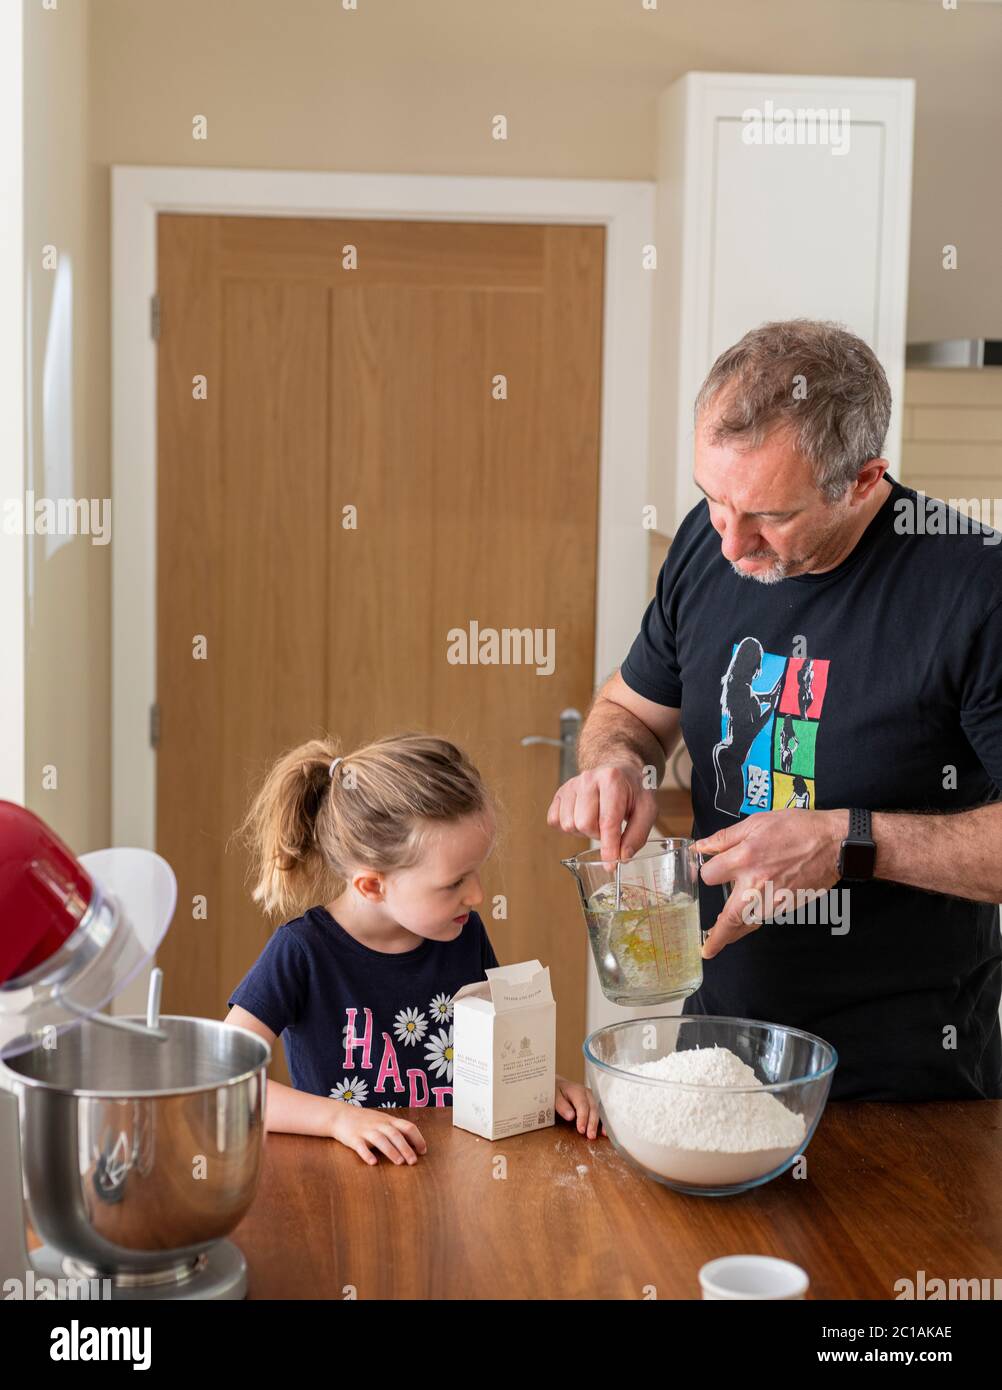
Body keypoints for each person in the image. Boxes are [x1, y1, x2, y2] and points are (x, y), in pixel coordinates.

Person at [548, 318, 1002, 1102]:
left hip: (909, 1088)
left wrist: (847, 841)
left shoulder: (975, 590)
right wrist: (614, 764)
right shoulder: (709, 540)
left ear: (864, 481)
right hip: (720, 1052)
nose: (731, 543)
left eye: (771, 517)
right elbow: (628, 706)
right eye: (713, 499)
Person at [226, 733, 600, 1165]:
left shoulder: (465, 934)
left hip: (456, 1179)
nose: (477, 895)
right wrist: (339, 1121)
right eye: (454, 882)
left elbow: (497, 1052)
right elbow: (228, 1082)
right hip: (344, 1184)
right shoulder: (301, 951)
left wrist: (541, 1085)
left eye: (476, 872)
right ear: (372, 885)